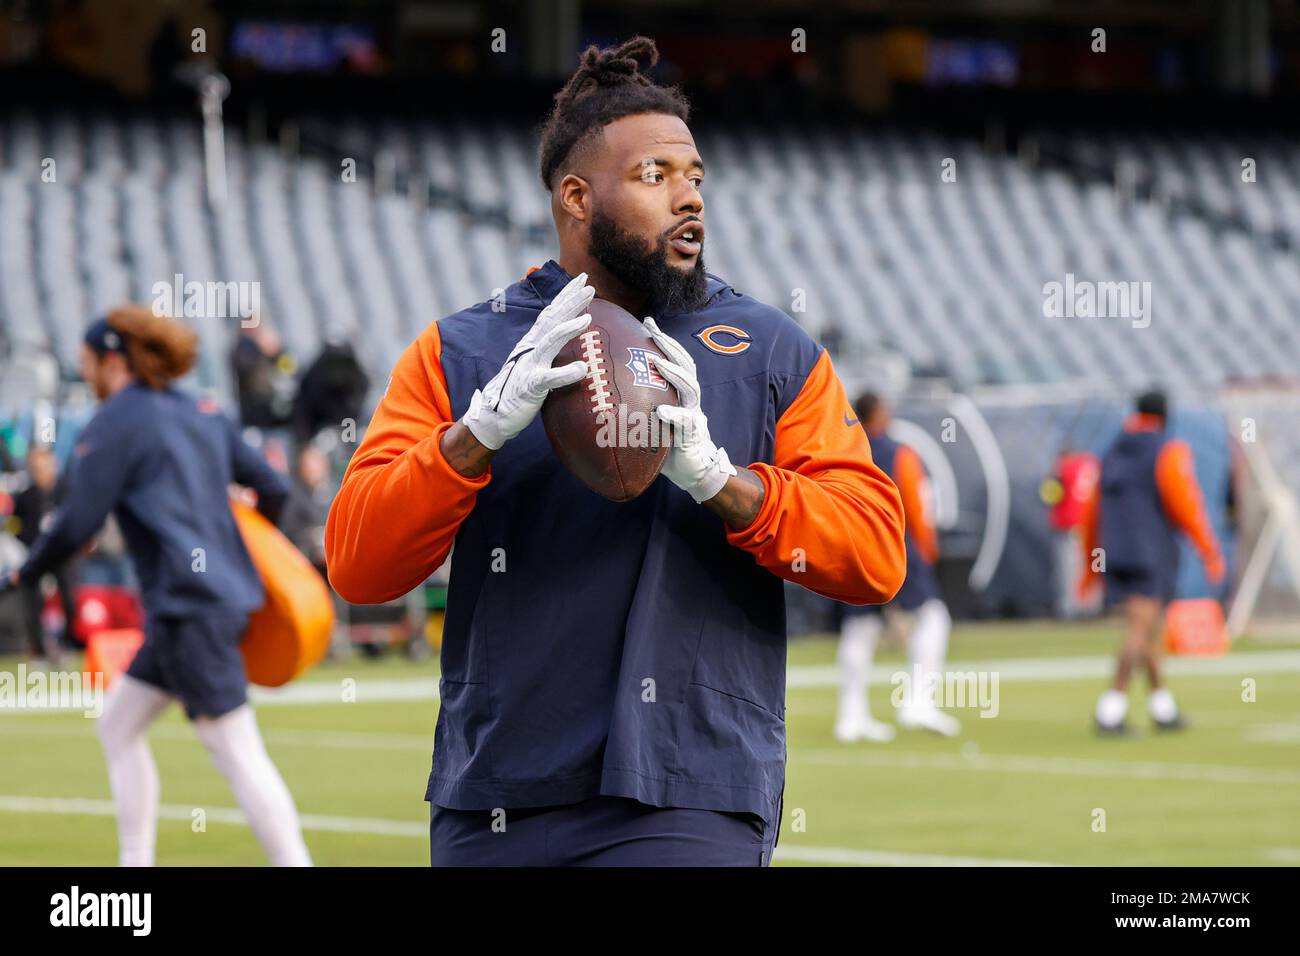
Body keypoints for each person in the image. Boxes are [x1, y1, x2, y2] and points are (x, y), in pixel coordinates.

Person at [326, 36, 907, 867]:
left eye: (696, 177)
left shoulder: (771, 350)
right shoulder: (462, 351)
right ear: (575, 196)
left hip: (692, 789)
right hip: (497, 792)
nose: (689, 199)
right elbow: (357, 564)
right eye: (655, 177)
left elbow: (877, 555)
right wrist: (473, 437)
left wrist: (721, 482)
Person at [2, 307, 312, 866]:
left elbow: (75, 523)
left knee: (237, 751)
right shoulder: (202, 409)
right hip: (197, 604)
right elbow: (273, 486)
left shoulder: (115, 422)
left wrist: (24, 571)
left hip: (189, 609)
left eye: (88, 362)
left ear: (112, 360)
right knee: (118, 725)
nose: (86, 373)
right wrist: (244, 536)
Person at [1078, 391, 1226, 735]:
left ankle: (1162, 707)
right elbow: (1186, 503)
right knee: (1139, 629)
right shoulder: (1168, 450)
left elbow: (1091, 512)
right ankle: (1110, 710)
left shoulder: (1112, 451)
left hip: (1114, 553)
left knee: (1149, 630)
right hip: (1148, 553)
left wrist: (1089, 566)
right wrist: (1209, 551)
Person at [835, 393, 960, 742]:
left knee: (860, 629)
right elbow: (915, 507)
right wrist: (927, 550)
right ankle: (919, 701)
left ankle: (850, 715)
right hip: (895, 549)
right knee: (934, 617)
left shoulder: (842, 450)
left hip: (853, 548)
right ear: (879, 414)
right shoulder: (898, 452)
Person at [12, 446, 77, 663]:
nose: (40, 471)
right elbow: (16, 527)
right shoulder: (25, 496)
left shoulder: (65, 491)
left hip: (60, 553)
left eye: (43, 466)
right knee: (32, 600)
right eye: (35, 467)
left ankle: (68, 643)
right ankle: (38, 650)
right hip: (34, 554)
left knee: (69, 597)